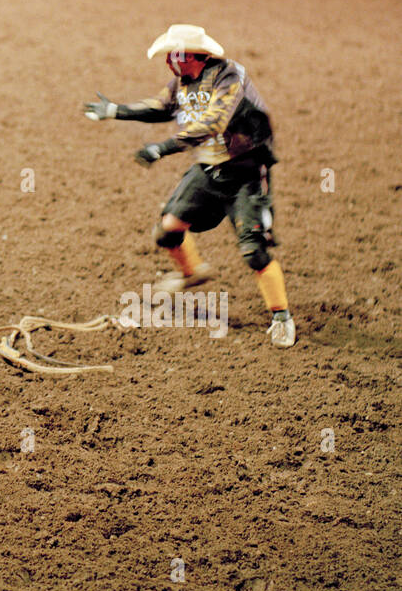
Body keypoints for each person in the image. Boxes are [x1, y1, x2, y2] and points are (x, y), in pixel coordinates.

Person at [83, 23, 296, 348]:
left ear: (189, 55)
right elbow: (162, 107)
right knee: (168, 230)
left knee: (253, 250)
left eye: (174, 55)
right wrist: (116, 110)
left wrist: (163, 148)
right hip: (208, 170)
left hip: (246, 174)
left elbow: (212, 123)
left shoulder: (229, 77)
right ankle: (192, 271)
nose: (170, 61)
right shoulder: (184, 82)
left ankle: (281, 317)